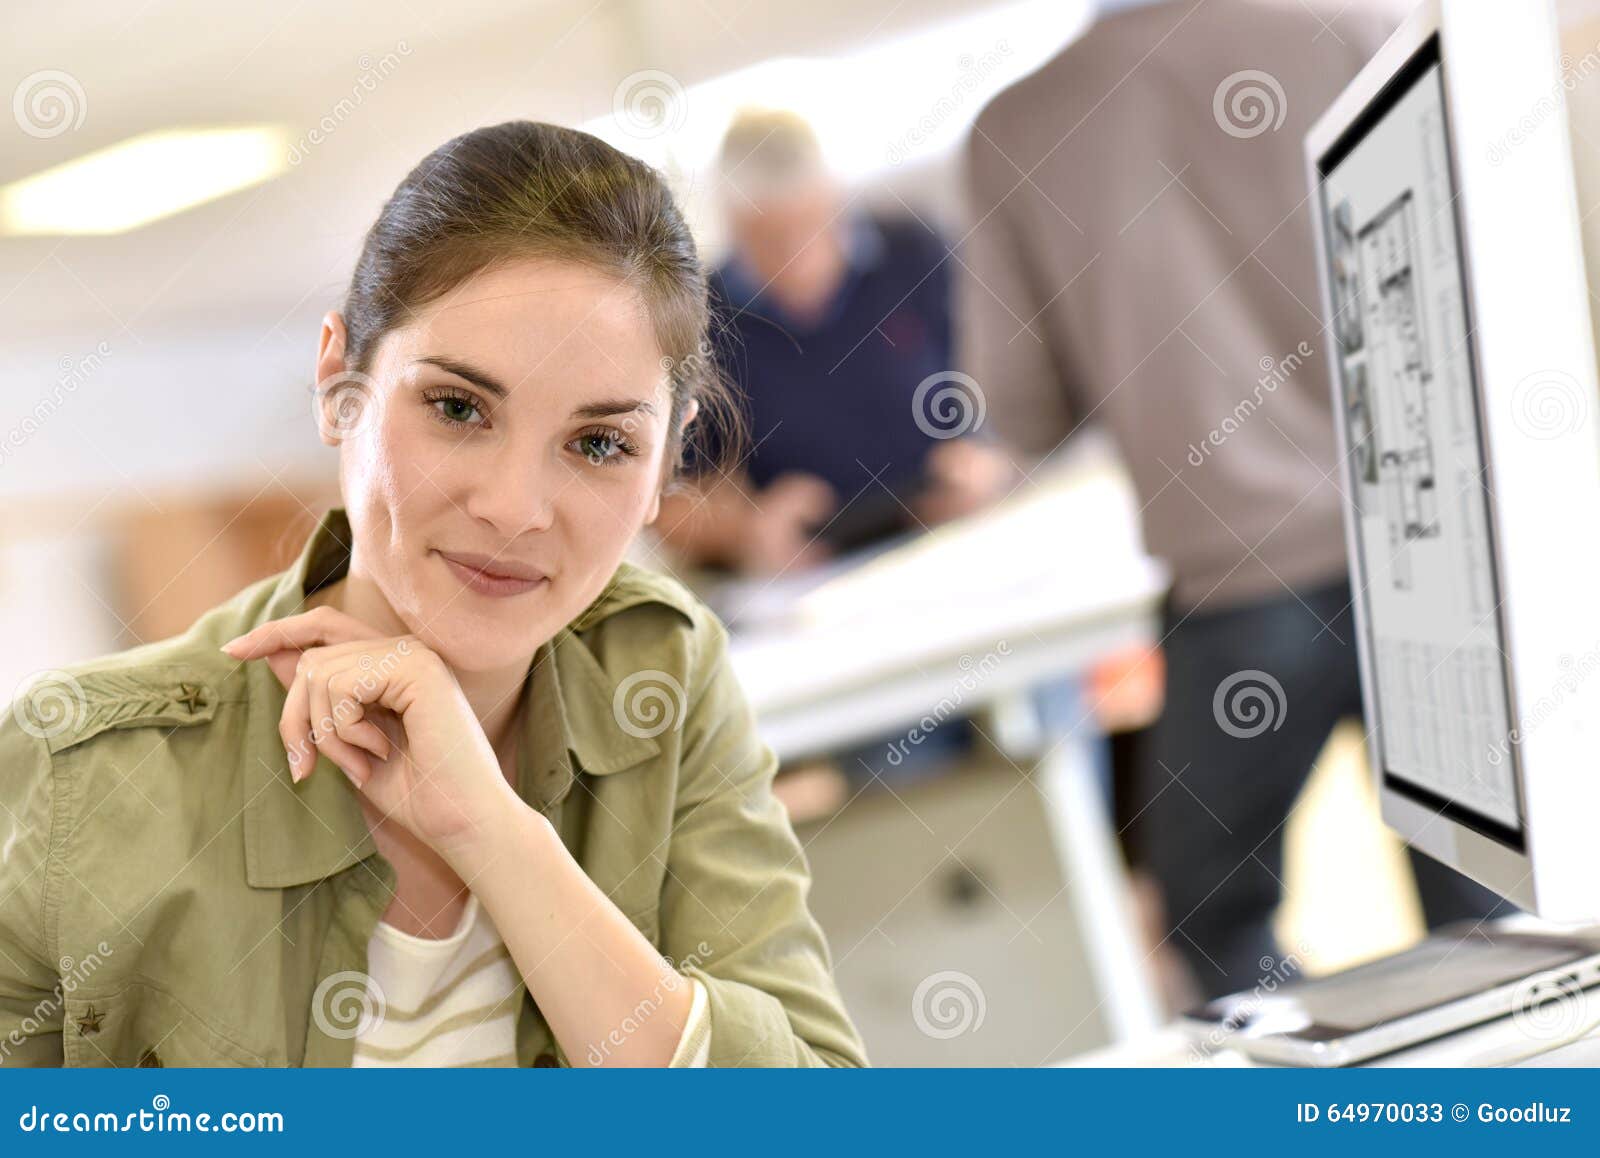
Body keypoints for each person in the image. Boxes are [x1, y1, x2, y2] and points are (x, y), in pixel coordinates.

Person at [0, 121, 867, 1068]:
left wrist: (492, 834)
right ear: (338, 384)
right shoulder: (84, 774)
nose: (514, 509)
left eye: (599, 444)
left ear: (666, 463)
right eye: (458, 408)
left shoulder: (661, 675)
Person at [959, 0, 1511, 1001]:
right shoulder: (1354, 30)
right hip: (1433, 556)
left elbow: (1025, 411)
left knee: (1213, 924)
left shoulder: (1020, 127)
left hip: (1237, 589)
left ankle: (1335, 1081)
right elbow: (1482, 268)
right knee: (1497, 918)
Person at [656, 109, 1011, 575]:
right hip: (812, 571)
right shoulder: (703, 319)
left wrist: (987, 459)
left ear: (834, 201)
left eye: (810, 225)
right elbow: (667, 503)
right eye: (770, 238)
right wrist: (746, 529)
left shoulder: (915, 251)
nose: (796, 256)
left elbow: (1014, 383)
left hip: (951, 534)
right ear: (736, 229)